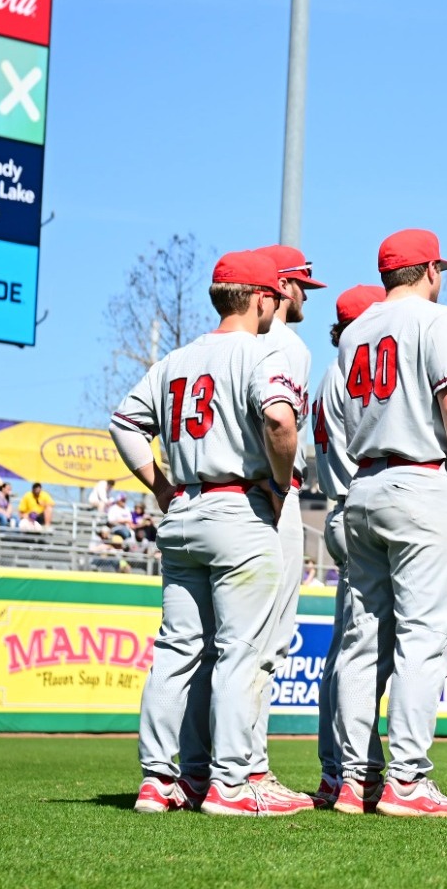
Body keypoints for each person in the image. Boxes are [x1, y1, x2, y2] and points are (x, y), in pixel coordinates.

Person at [109, 249, 302, 816]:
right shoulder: (260, 351)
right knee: (240, 653)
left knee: (175, 650)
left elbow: (124, 423)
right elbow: (279, 419)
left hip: (185, 509)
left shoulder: (177, 358)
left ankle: (158, 781)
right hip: (238, 507)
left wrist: (160, 486)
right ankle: (230, 783)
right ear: (264, 297)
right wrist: (283, 480)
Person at [330, 229, 447, 818]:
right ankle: (406, 781)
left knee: (360, 641)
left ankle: (353, 780)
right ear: (428, 271)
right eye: (439, 269)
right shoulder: (438, 319)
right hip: (420, 480)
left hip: (364, 484)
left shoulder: (354, 331)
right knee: (425, 639)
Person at [252, 243, 325, 795]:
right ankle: (249, 768)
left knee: (211, 643)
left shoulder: (219, 344)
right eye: (299, 284)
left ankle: (193, 768)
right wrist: (279, 487)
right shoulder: (287, 344)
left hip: (211, 493)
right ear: (279, 287)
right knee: (264, 642)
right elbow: (280, 425)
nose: (303, 296)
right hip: (269, 494)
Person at [308, 283, 384, 808]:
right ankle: (352, 770)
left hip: (342, 511)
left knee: (347, 650)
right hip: (364, 505)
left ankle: (338, 770)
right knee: (370, 650)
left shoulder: (331, 374)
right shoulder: (355, 372)